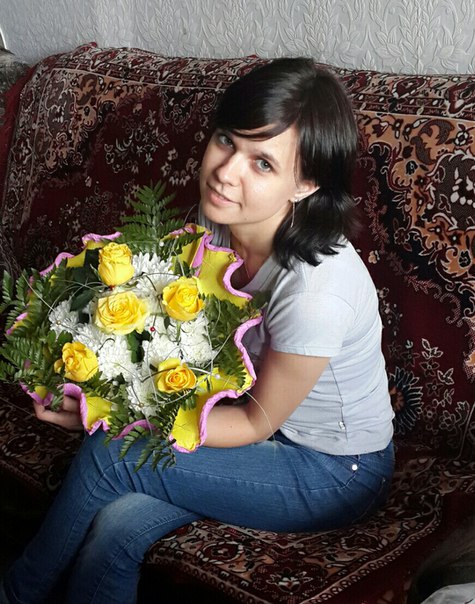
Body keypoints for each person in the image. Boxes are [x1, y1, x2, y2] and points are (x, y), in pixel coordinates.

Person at [1, 58, 395, 604]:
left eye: (262, 163)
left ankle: (16, 592)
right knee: (115, 528)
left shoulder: (315, 291)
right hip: (245, 421)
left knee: (113, 453)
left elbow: (257, 421)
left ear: (305, 184)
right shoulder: (216, 223)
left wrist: (109, 415)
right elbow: (164, 327)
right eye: (226, 140)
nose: (226, 172)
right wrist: (88, 380)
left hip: (330, 470)